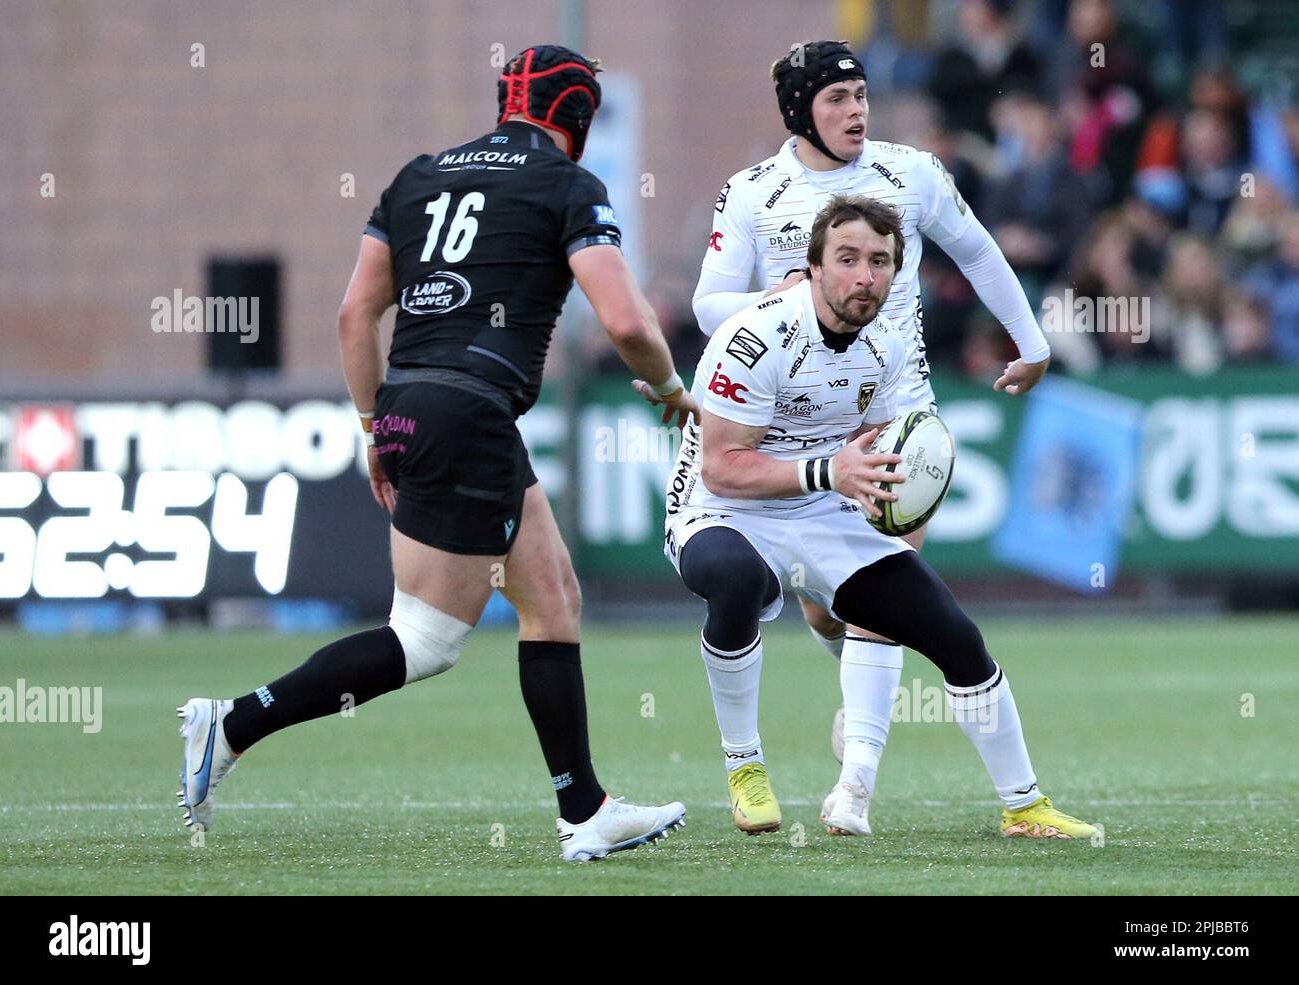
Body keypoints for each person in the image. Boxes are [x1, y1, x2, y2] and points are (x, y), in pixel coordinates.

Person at [177, 44, 697, 862]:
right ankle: (235, 721)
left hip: (415, 404)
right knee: (423, 640)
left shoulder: (417, 175)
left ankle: (585, 809)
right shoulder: (568, 185)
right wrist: (669, 388)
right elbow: (628, 323)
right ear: (579, 118)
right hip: (474, 408)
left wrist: (372, 425)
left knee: (554, 593)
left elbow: (356, 315)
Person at [683, 40, 1051, 834]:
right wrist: (767, 296)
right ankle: (848, 683)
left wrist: (1032, 342)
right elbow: (708, 303)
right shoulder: (753, 192)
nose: (857, 112)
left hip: (893, 412)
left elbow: (978, 249)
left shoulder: (910, 172)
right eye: (837, 99)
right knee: (829, 614)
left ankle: (855, 784)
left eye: (861, 95)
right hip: (781, 425)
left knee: (890, 587)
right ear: (798, 111)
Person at [655, 194, 1095, 840]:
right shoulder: (754, 338)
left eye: (881, 261)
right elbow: (722, 466)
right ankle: (745, 765)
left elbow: (875, 434)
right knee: (734, 579)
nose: (866, 275)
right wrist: (829, 472)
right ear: (812, 267)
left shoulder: (886, 343)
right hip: (722, 508)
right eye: (848, 258)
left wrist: (895, 478)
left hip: (821, 505)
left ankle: (1024, 805)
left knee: (955, 636)